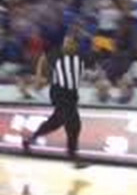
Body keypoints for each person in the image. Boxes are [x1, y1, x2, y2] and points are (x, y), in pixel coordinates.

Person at [21, 34, 88, 168]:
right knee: (73, 123)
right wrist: (38, 78)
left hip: (72, 94)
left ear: (75, 45)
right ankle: (73, 156)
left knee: (56, 121)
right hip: (59, 91)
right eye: (65, 42)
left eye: (69, 43)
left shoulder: (81, 56)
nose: (65, 45)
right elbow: (43, 59)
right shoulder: (57, 54)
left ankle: (30, 140)